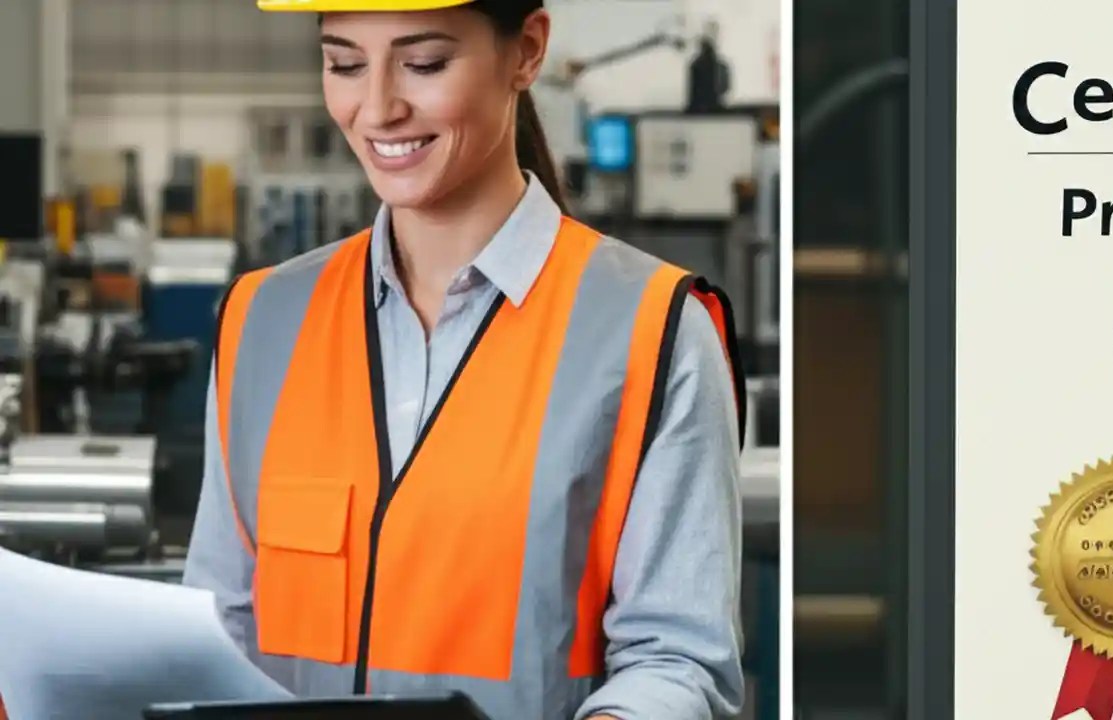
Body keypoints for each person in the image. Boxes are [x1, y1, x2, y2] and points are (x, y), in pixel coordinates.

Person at [182, 2, 747, 719]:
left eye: (423, 64)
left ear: (527, 51)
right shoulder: (263, 321)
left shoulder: (652, 330)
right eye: (345, 63)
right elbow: (219, 630)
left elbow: (680, 661)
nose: (378, 107)